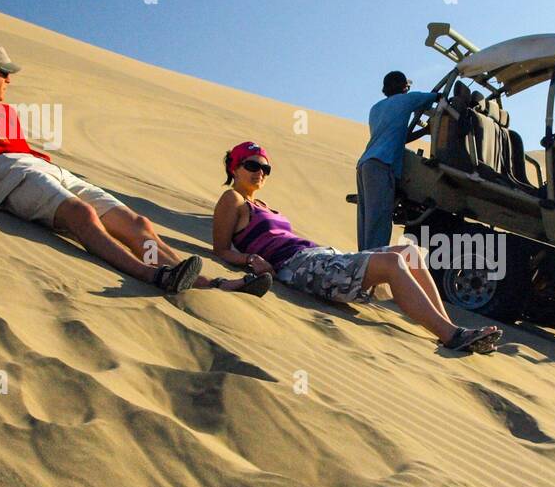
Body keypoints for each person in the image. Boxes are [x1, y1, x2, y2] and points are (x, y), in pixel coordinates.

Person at [0, 40, 266, 296]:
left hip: (42, 167)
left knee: (135, 223)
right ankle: (156, 276)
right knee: (81, 214)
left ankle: (205, 281)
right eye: (3, 72)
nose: (9, 79)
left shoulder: (4, 112)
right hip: (0, 172)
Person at [214, 142, 501, 353]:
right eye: (251, 165)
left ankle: (447, 327)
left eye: (265, 167)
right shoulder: (233, 199)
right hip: (296, 267)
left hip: (319, 257)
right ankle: (452, 336)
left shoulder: (264, 206)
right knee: (392, 264)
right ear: (234, 167)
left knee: (409, 253)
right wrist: (253, 259)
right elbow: (221, 249)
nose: (260, 172)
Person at [355, 70, 438, 250]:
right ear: (404, 86)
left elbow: (395, 137)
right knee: (379, 219)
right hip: (381, 164)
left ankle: (362, 262)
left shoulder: (375, 109)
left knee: (366, 219)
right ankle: (374, 264)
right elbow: (437, 96)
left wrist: (424, 131)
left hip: (365, 163)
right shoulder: (407, 99)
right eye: (407, 86)